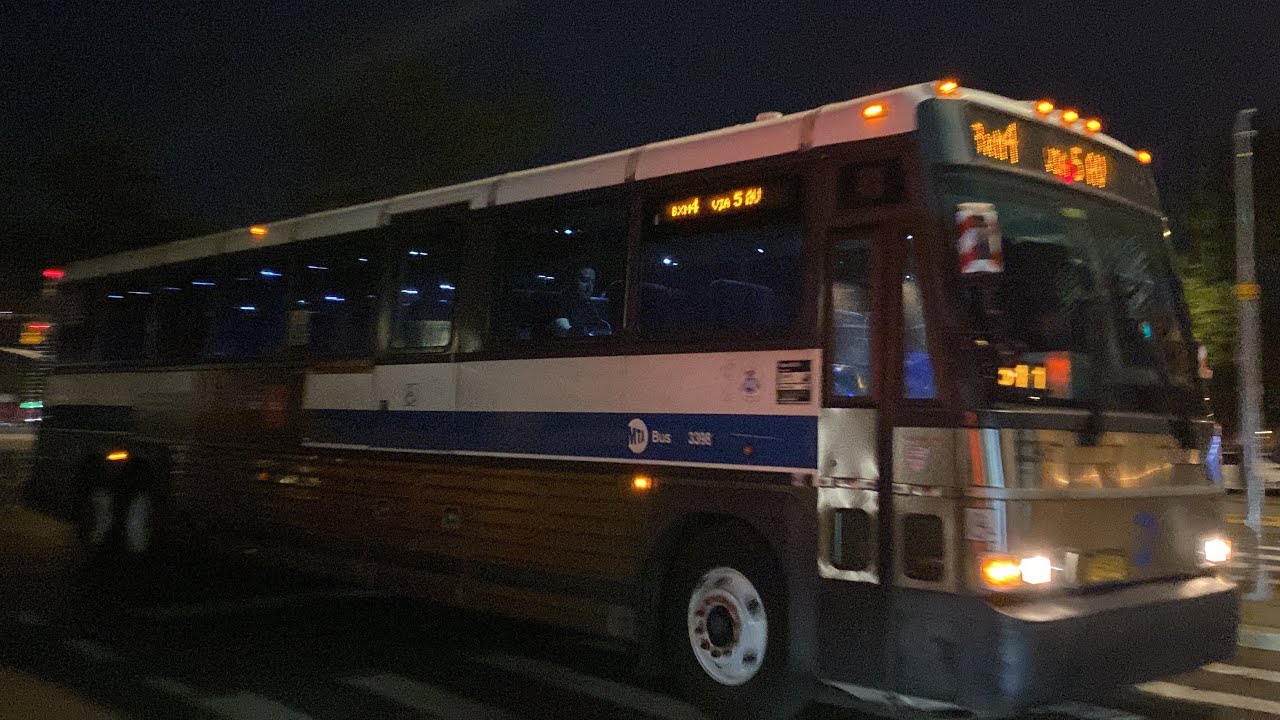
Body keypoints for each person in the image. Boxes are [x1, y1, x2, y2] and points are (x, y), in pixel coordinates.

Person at [551, 266, 610, 337]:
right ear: (572, 281)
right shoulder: (559, 303)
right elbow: (566, 331)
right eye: (585, 280)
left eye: (593, 282)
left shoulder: (591, 306)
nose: (590, 287)